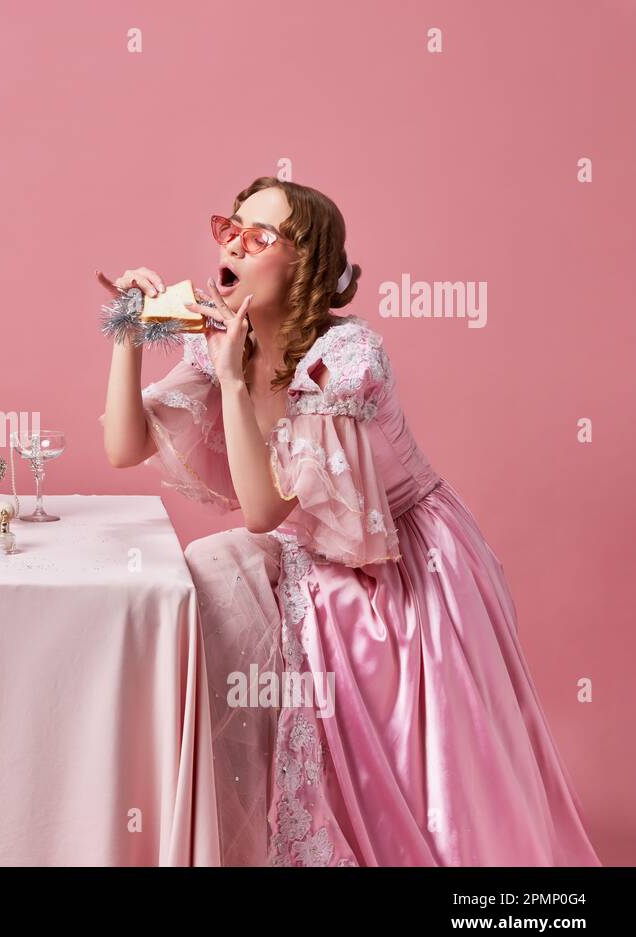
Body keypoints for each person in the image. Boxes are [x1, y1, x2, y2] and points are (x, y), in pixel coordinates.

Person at [100, 176, 602, 866]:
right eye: (229, 228)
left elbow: (263, 508)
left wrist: (237, 383)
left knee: (428, 793)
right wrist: (130, 330)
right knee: (212, 583)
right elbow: (124, 446)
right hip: (311, 553)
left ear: (303, 262)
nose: (233, 245)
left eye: (259, 235)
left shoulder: (344, 357)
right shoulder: (226, 342)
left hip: (402, 564)